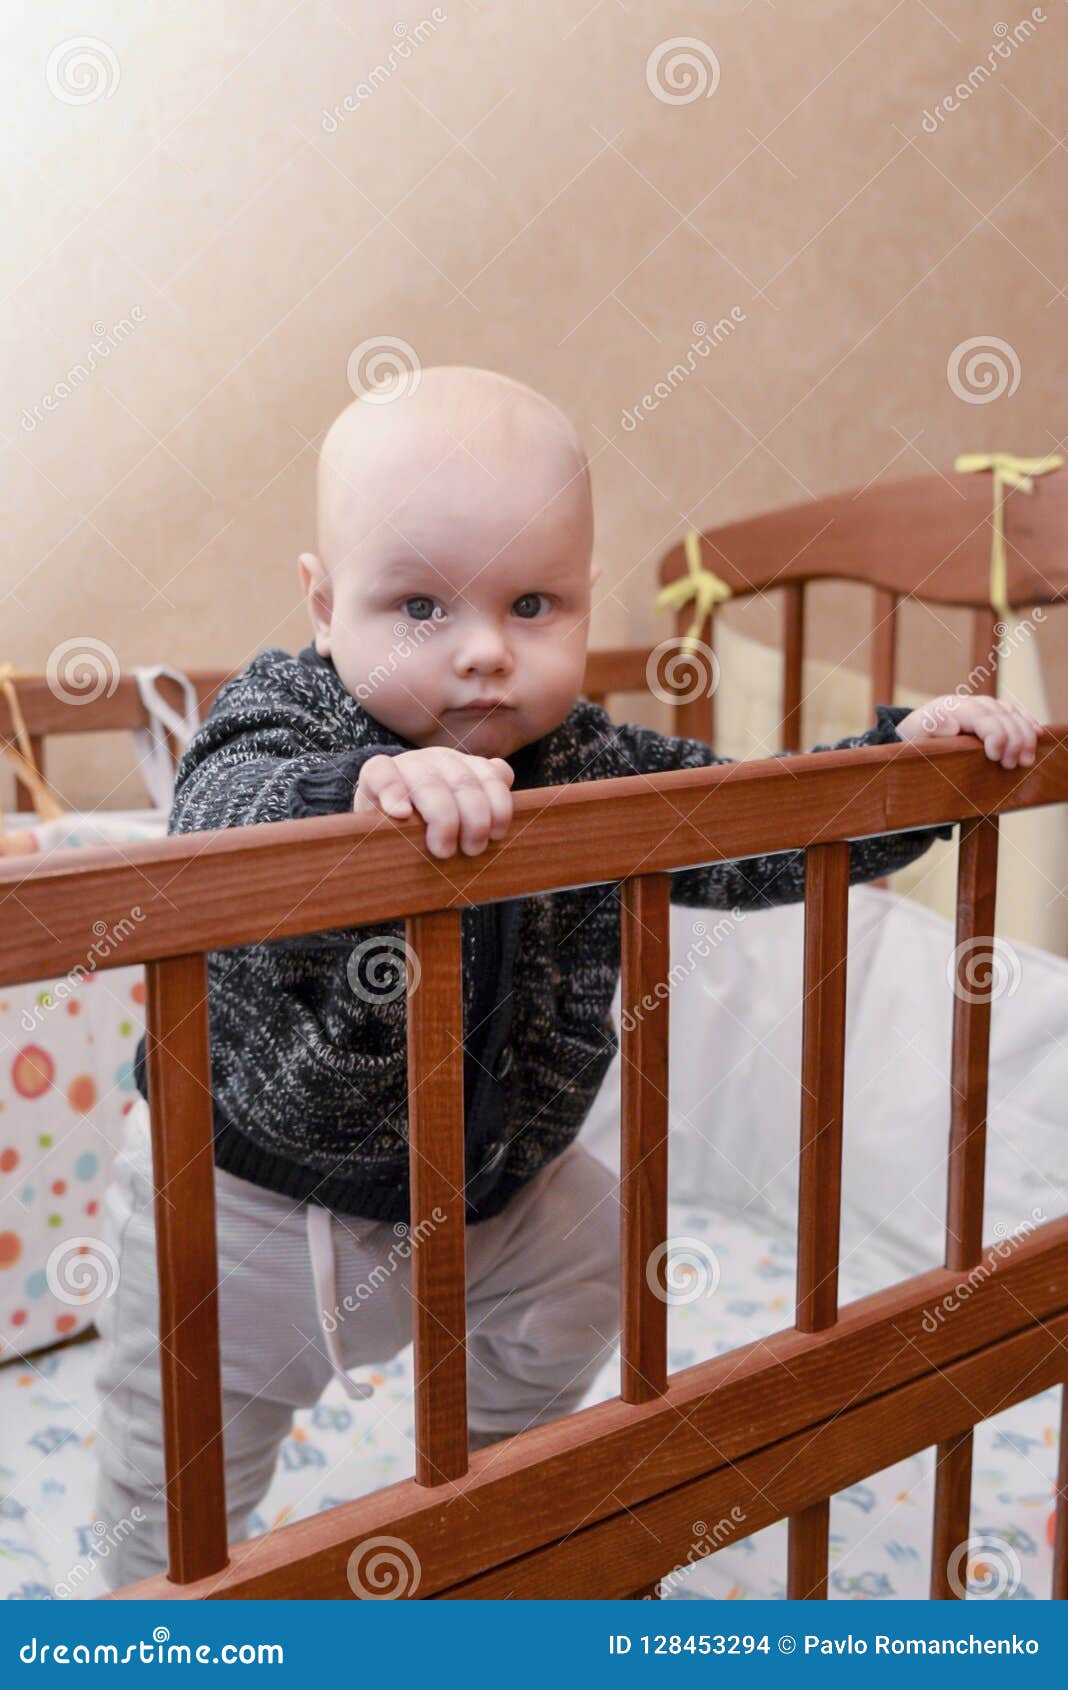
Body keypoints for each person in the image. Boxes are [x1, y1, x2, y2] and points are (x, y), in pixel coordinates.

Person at [91, 365, 1043, 1591]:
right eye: (421, 605)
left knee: (601, 1238)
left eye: (533, 602)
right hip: (239, 1213)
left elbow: (743, 830)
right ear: (325, 608)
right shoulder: (290, 715)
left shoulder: (586, 757)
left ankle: (511, 1488)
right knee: (164, 1497)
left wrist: (900, 769)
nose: (485, 652)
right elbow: (211, 815)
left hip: (485, 1203)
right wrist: (357, 796)